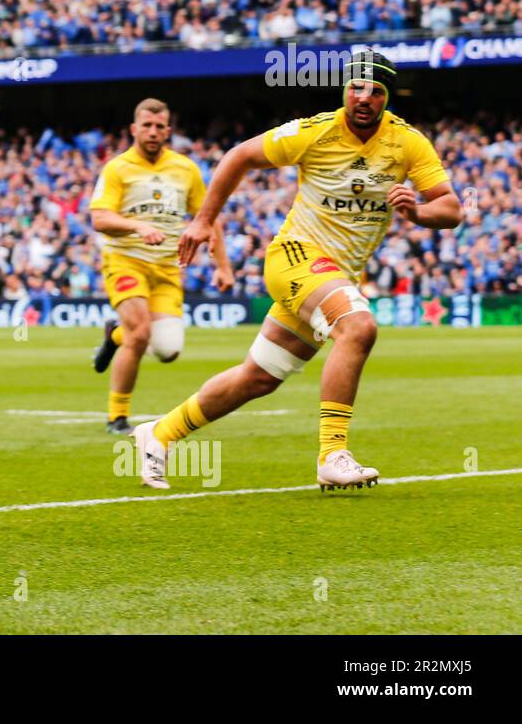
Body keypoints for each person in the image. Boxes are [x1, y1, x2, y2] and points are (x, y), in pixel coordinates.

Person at [132, 51, 463, 490]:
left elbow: (452, 208)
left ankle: (159, 433)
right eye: (356, 87)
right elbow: (238, 156)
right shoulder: (314, 131)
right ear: (344, 89)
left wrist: (419, 213)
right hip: (295, 257)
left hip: (331, 277)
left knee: (258, 378)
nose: (364, 97)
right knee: (358, 326)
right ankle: (333, 454)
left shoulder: (408, 142)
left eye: (375, 90)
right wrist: (204, 220)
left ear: (387, 96)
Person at [90, 99, 233, 434]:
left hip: (168, 267)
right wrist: (138, 227)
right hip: (126, 260)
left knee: (168, 350)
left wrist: (223, 266)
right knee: (140, 334)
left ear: (168, 131)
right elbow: (99, 218)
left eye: (159, 126)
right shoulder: (117, 168)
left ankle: (114, 335)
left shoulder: (186, 169)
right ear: (134, 129)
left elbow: (209, 218)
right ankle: (117, 416)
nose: (153, 132)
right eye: (146, 125)